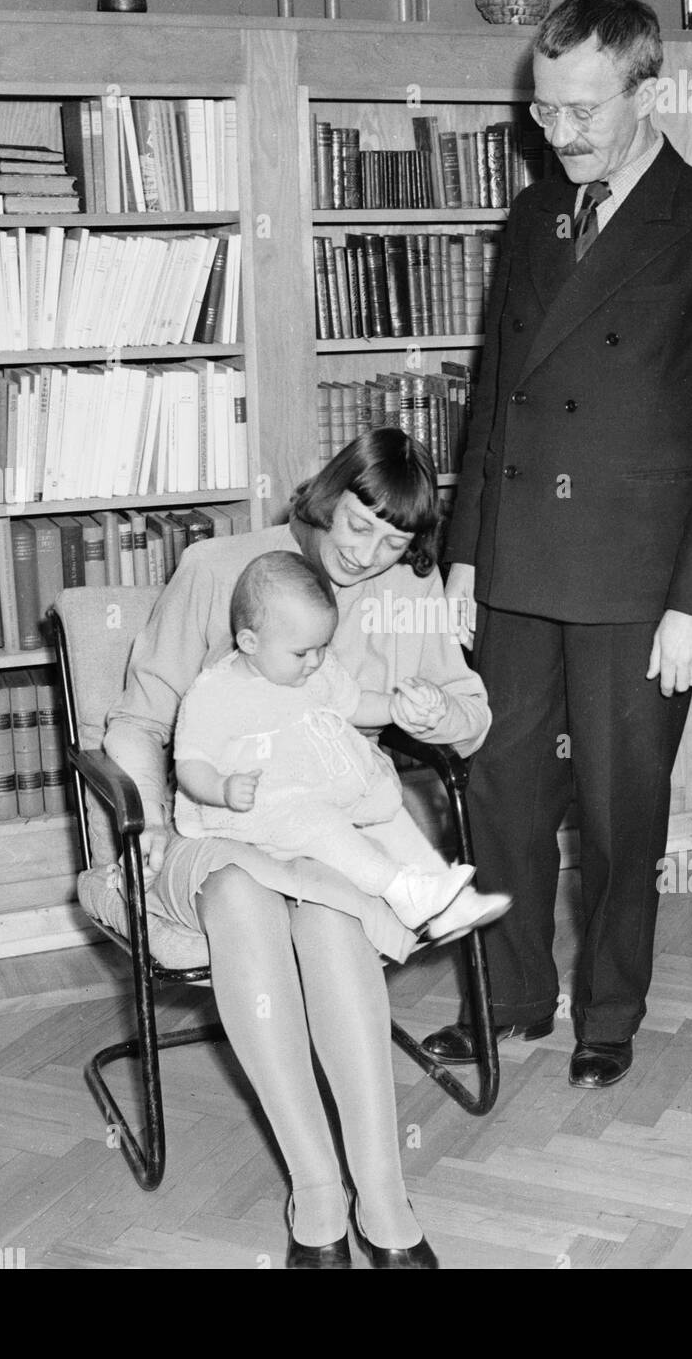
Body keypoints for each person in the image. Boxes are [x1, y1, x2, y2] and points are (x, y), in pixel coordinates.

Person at [422, 0, 692, 1088]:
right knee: (501, 793)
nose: (559, 134)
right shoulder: (532, 218)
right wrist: (465, 556)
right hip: (518, 560)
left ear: (647, 91)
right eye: (545, 113)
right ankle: (517, 996)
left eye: (582, 113)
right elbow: (494, 399)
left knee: (624, 812)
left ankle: (608, 1010)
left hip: (638, 581)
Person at [104, 428, 491, 1268]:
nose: (370, 556)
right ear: (330, 491)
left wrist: (436, 716)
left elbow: (471, 712)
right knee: (243, 893)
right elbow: (138, 720)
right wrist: (153, 832)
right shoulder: (220, 571)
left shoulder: (405, 590)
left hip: (328, 832)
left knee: (329, 916)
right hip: (213, 833)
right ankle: (316, 1191)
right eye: (360, 528)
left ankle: (382, 1194)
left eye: (395, 542)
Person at [172, 549, 510, 939]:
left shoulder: (314, 669)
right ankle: (402, 892)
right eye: (302, 652)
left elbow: (355, 703)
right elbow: (190, 763)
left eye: (322, 647)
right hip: (253, 811)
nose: (315, 661)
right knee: (322, 824)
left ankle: (446, 903)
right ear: (249, 641)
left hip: (317, 789)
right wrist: (221, 788)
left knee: (384, 806)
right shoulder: (216, 692)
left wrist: (397, 707)